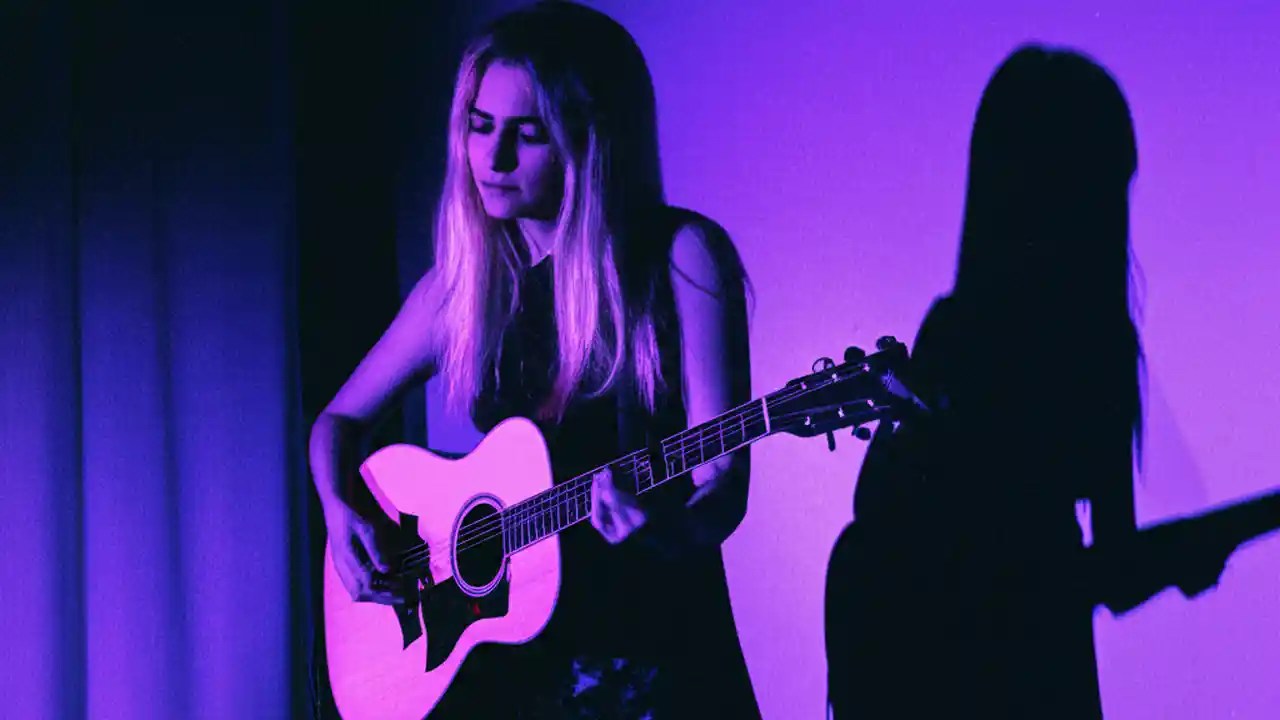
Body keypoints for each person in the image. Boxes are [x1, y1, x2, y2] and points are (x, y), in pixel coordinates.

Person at [309, 2, 760, 717]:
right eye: (479, 126)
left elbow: (724, 481)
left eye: (528, 134)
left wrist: (672, 532)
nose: (492, 160)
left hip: (652, 657)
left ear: (592, 139)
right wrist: (341, 514)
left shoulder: (682, 259)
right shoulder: (463, 288)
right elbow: (336, 422)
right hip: (515, 672)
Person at [826, 45, 1147, 718]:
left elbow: (874, 504)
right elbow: (1116, 567)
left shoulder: (956, 327)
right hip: (1035, 671)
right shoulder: (1100, 341)